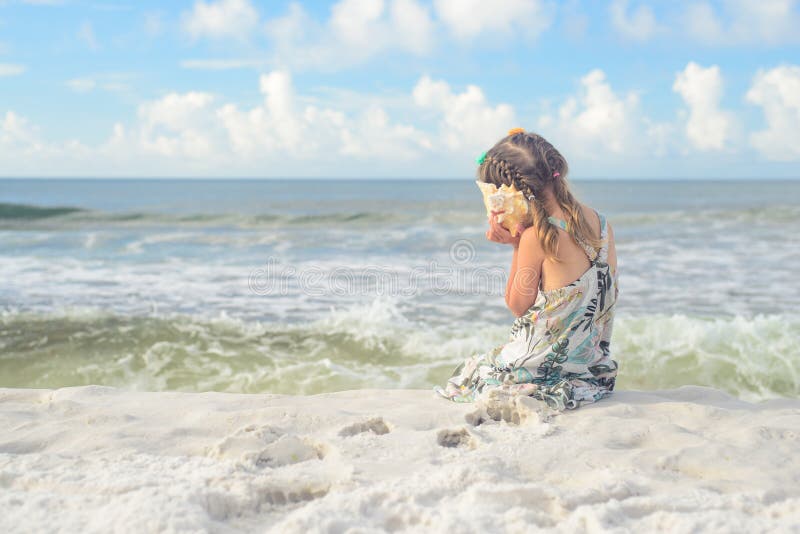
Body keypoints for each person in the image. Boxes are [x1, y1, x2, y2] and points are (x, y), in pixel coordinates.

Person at [433, 128, 619, 411]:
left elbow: (518, 305)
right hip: (590, 369)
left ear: (511, 194)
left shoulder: (536, 238)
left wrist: (516, 245)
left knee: (472, 371)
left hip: (543, 369)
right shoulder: (602, 224)